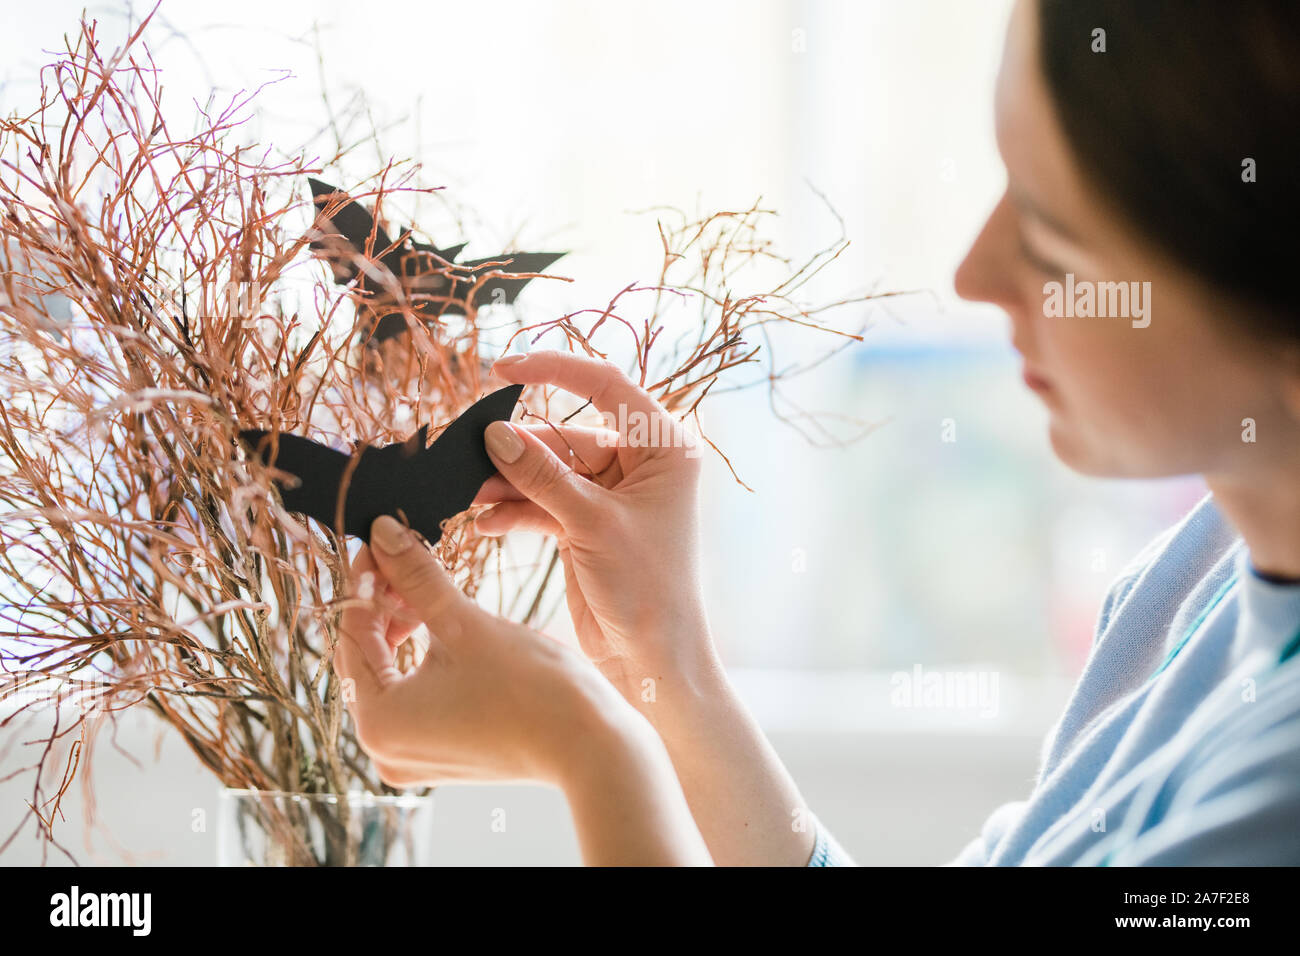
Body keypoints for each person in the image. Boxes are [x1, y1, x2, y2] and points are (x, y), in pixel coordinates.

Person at [333, 0, 1300, 866]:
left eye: (1052, 238)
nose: (971, 272)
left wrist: (592, 752)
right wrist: (672, 670)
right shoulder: (1194, 586)